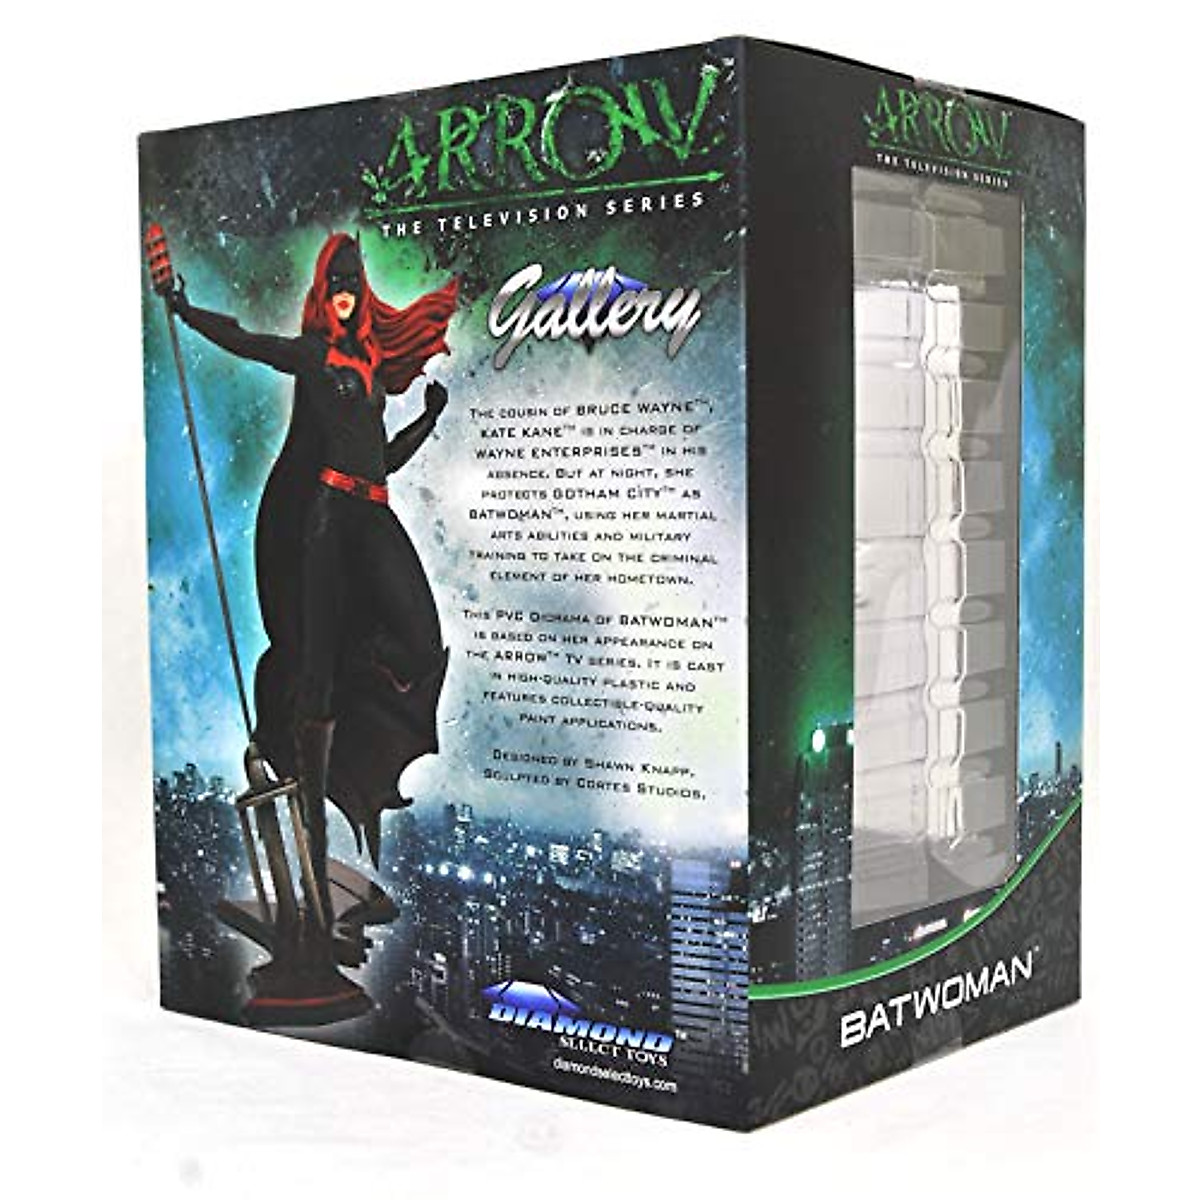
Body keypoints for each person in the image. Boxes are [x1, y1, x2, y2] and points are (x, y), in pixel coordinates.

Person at [169, 233, 457, 928]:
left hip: (374, 514)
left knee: (422, 644)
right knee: (318, 686)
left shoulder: (372, 365)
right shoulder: (312, 355)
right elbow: (244, 341)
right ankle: (315, 865)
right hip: (328, 518)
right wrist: (185, 309)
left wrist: (427, 418)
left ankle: (344, 672)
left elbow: (382, 458)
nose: (346, 294)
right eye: (336, 284)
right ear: (324, 293)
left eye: (354, 284)